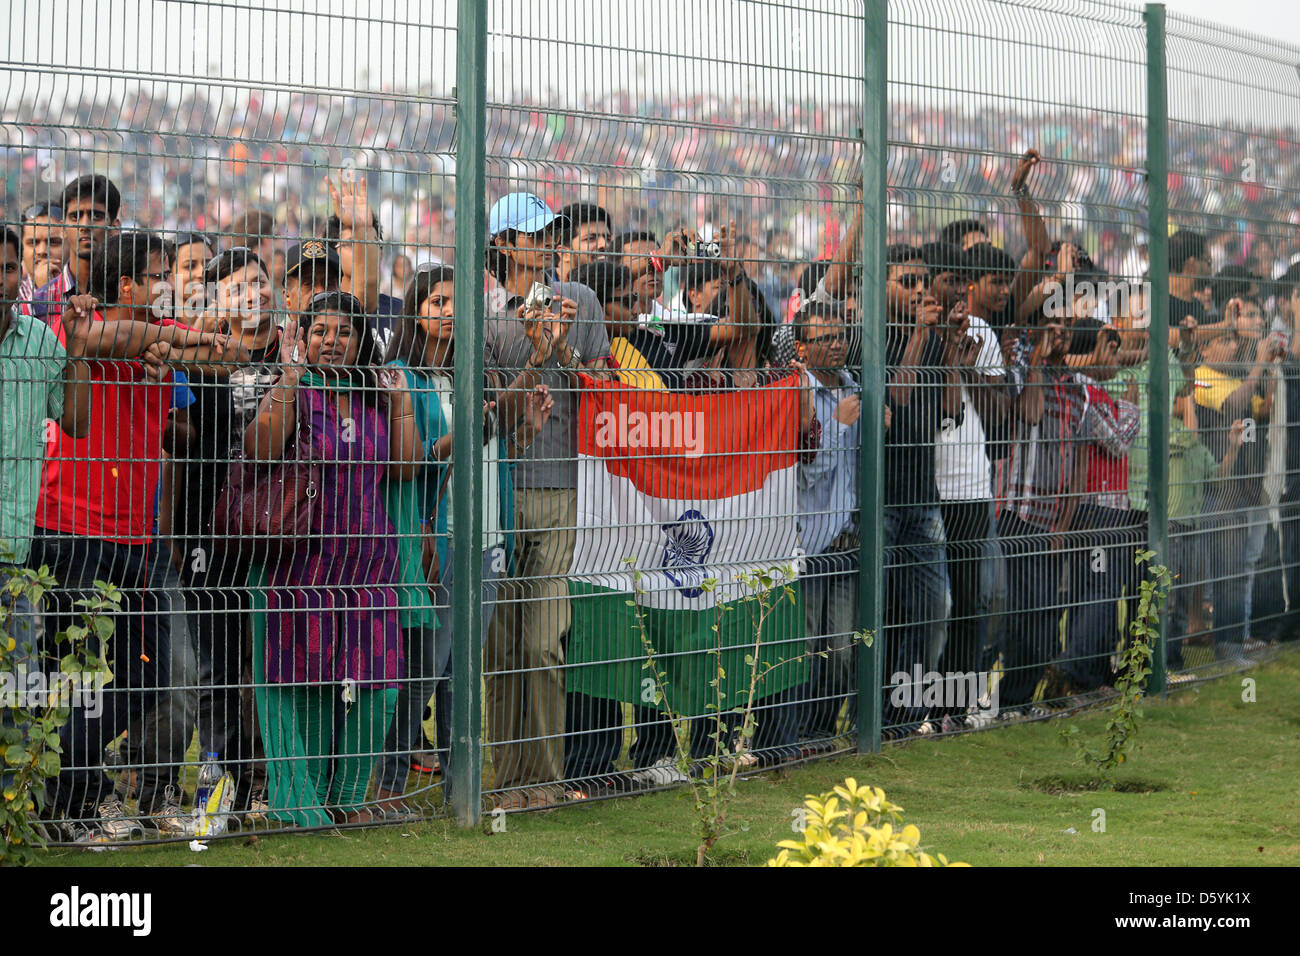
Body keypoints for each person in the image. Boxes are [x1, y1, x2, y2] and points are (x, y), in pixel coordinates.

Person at [32, 231, 245, 843]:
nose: (166, 287)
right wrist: (167, 340)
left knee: (144, 676)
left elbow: (227, 356)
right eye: (156, 277)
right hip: (71, 528)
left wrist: (176, 345)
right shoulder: (83, 327)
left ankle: (68, 792)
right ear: (126, 286)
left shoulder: (162, 335)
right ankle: (68, 804)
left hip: (136, 537)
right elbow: (98, 341)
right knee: (71, 674)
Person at [373, 265, 554, 814]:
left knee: (460, 675)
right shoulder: (400, 376)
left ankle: (461, 786)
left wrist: (526, 427)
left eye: (458, 302)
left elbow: (496, 448)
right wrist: (461, 435)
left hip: (488, 535)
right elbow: (409, 462)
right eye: (437, 301)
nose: (449, 311)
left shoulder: (475, 370)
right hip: (438, 536)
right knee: (424, 667)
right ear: (415, 308)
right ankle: (386, 782)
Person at [244, 291, 421, 826]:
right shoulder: (295, 390)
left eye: (344, 331)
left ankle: (345, 800)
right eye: (320, 330)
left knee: (378, 684)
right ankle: (299, 802)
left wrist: (401, 405)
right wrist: (290, 378)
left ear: (361, 339)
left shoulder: (371, 392)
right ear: (302, 336)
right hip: (300, 562)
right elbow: (259, 449)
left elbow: (405, 469)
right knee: (297, 681)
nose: (331, 340)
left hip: (369, 563)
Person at [480, 192, 612, 808]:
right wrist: (535, 355)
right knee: (502, 647)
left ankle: (547, 780)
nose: (548, 241)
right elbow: (484, 413)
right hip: (500, 492)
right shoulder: (480, 313)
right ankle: (506, 780)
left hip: (563, 488)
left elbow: (610, 390)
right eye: (534, 233)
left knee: (543, 640)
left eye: (551, 230)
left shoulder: (579, 301)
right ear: (504, 244)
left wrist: (563, 350)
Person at [998, 312, 1090, 717]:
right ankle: (1008, 701)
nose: (1060, 336)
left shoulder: (1078, 388)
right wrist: (1035, 358)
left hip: (1053, 521)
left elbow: (1080, 464)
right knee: (1021, 619)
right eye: (1052, 328)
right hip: (1017, 514)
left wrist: (1063, 527)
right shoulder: (1021, 368)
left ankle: (1022, 699)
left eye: (1065, 330)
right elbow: (1031, 414)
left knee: (1045, 616)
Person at [792, 302, 861, 744]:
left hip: (848, 540)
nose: (837, 345)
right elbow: (808, 470)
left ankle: (822, 727)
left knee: (841, 647)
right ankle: (795, 731)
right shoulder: (799, 393)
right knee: (806, 644)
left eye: (841, 336)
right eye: (825, 339)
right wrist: (836, 425)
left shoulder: (855, 387)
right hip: (810, 541)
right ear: (801, 347)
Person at [31, 175, 122, 325]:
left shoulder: (126, 295)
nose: (85, 225)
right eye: (75, 216)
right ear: (63, 228)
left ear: (115, 227)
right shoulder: (41, 301)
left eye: (96, 216)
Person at [552, 202, 612, 283]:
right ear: (564, 253)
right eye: (591, 238)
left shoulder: (618, 288)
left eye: (607, 238)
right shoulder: (541, 288)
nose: (604, 244)